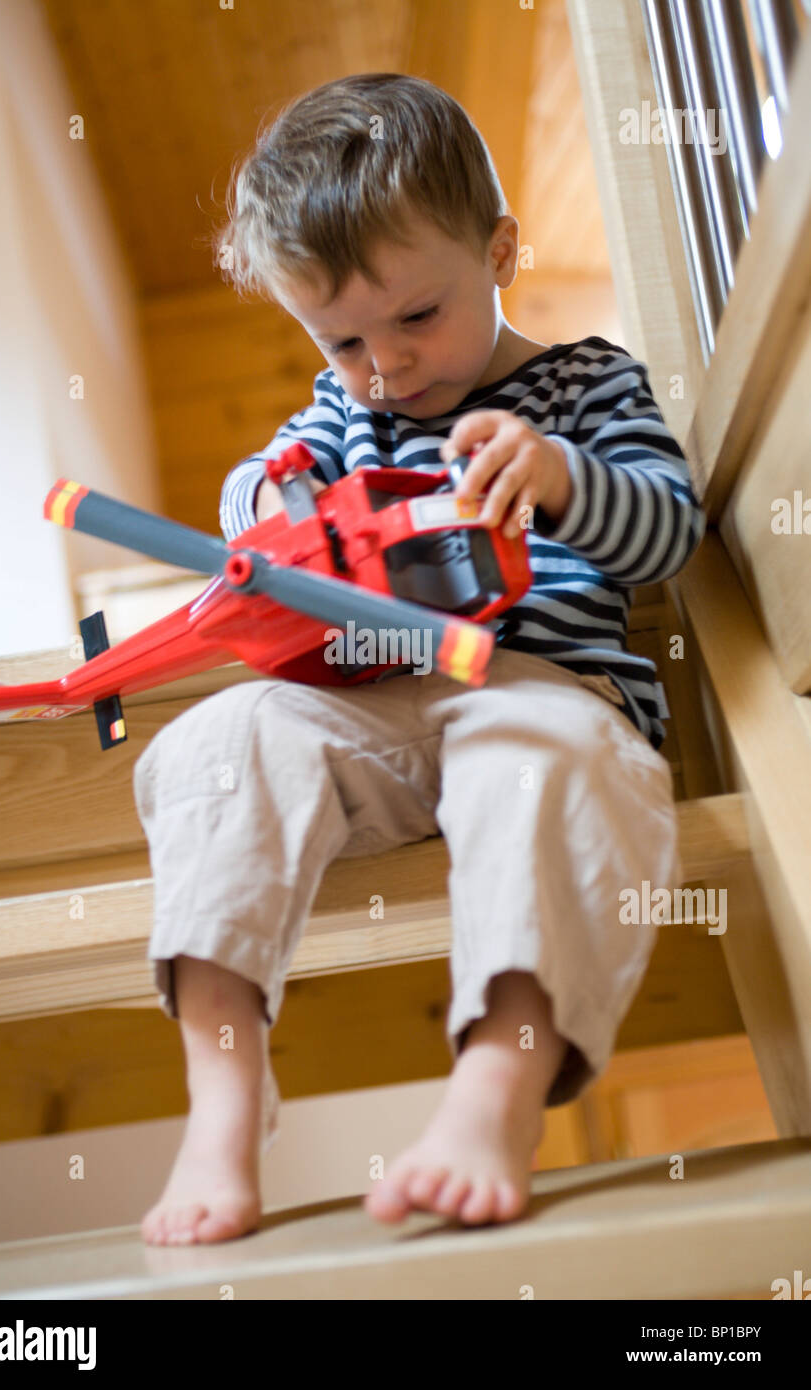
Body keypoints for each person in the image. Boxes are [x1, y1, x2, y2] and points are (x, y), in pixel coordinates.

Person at [134, 73, 705, 1246]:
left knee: (540, 758)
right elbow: (257, 484)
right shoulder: (339, 416)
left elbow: (669, 530)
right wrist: (263, 498)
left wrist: (556, 476)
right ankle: (225, 1097)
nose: (384, 368)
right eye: (339, 338)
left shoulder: (584, 386)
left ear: (498, 252)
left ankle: (495, 1092)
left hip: (543, 692)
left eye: (415, 318)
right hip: (375, 703)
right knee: (213, 741)